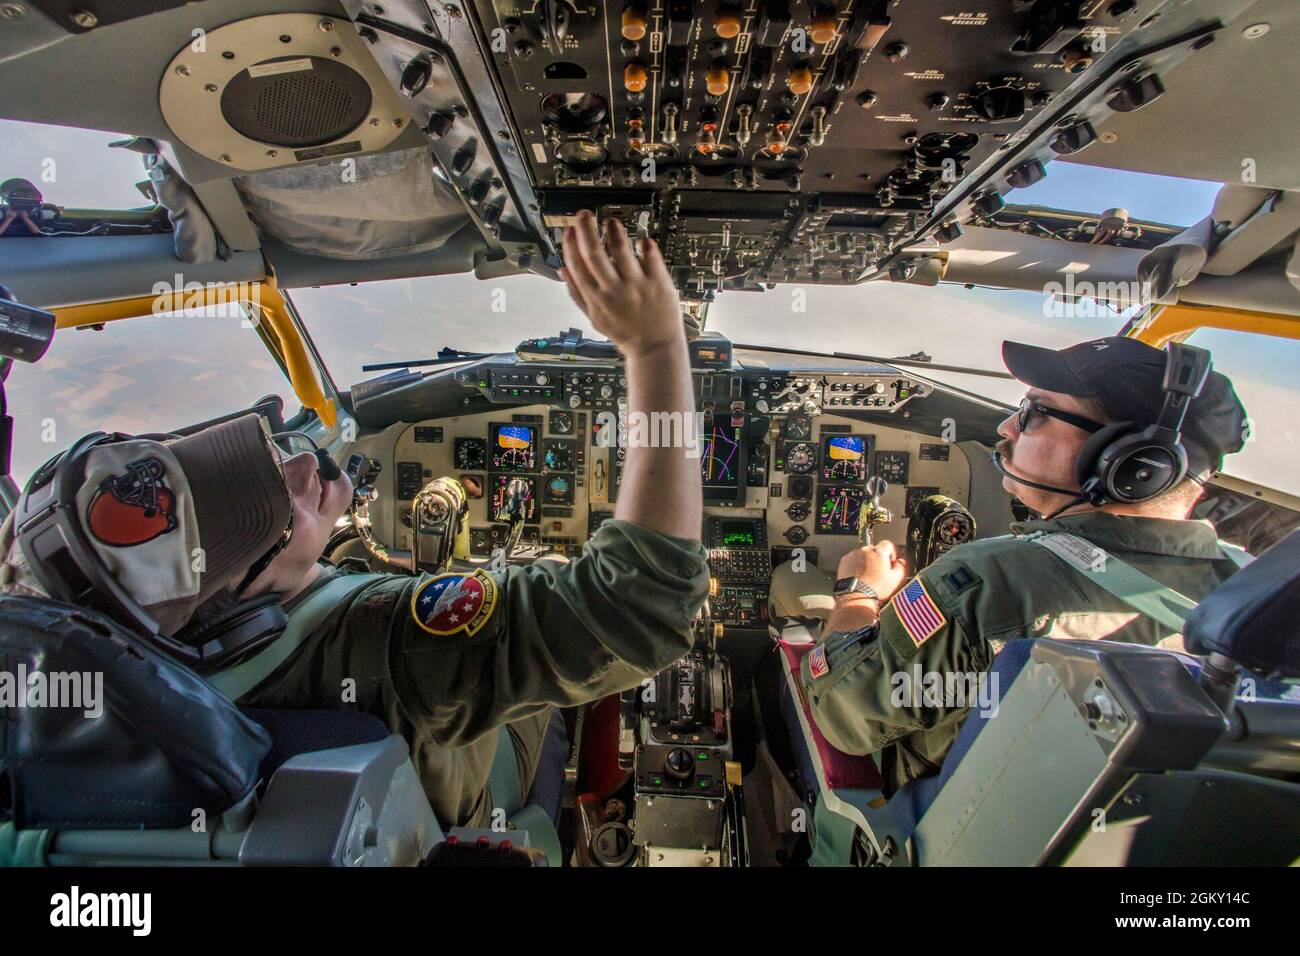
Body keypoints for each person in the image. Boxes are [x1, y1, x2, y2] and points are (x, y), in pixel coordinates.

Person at [2, 211, 709, 828]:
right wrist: (654, 347)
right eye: (272, 510)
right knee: (561, 658)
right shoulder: (387, 646)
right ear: (229, 616)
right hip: (479, 790)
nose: (302, 467)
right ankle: (593, 795)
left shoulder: (142, 704)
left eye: (241, 457)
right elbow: (642, 604)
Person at [770, 336, 1251, 796]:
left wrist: (859, 592)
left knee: (792, 591)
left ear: (1123, 460)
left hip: (913, 806)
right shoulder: (1248, 595)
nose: (1005, 428)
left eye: (1033, 413)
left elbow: (838, 711)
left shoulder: (989, 579)